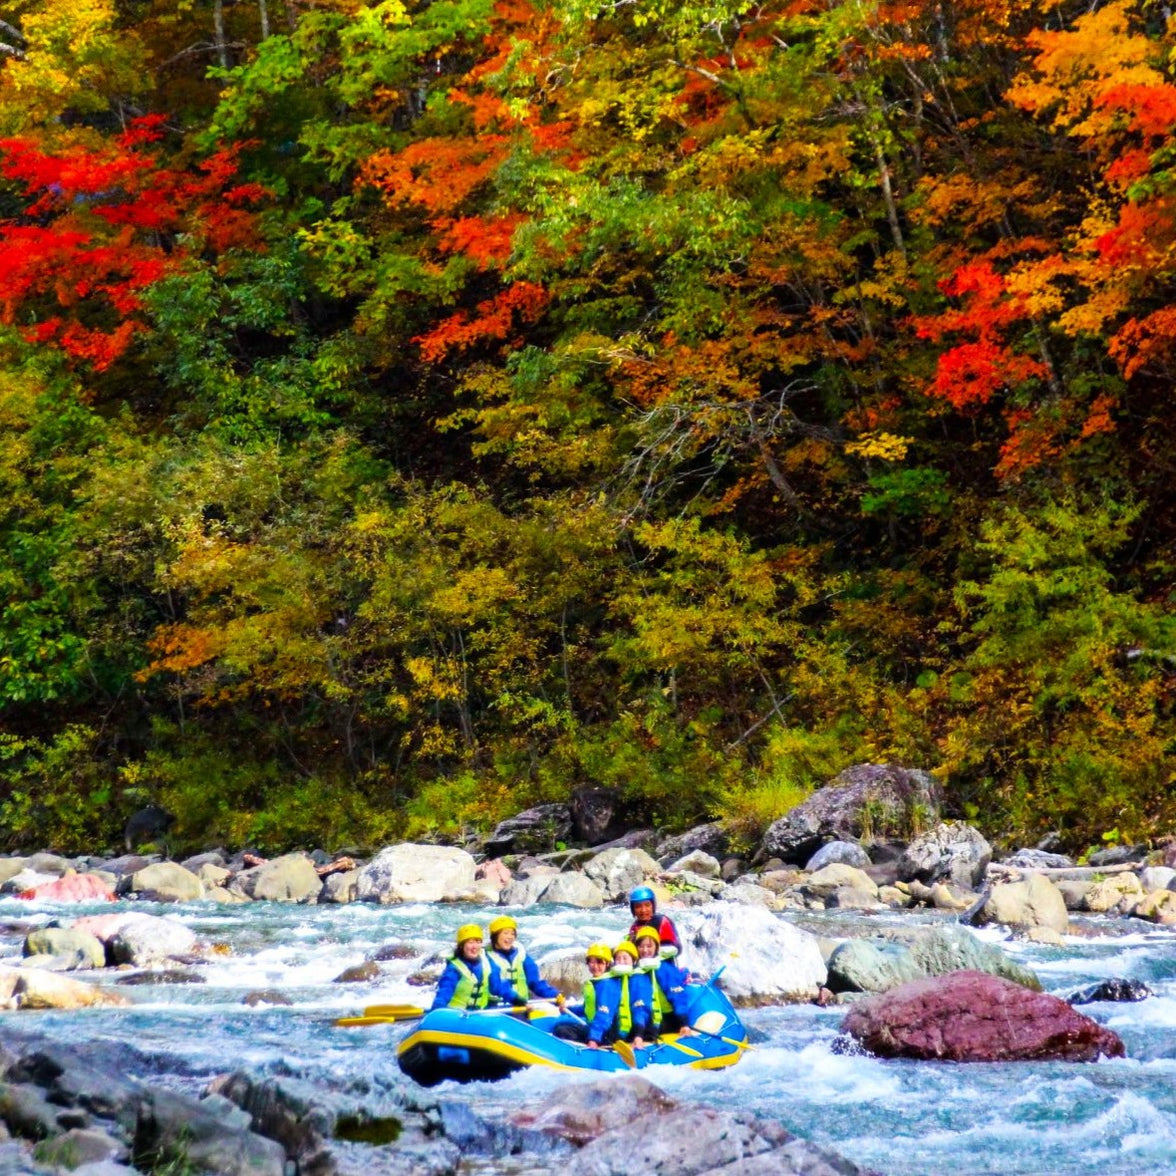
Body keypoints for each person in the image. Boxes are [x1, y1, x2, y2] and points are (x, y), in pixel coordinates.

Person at [485, 915, 565, 1011]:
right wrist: (516, 999)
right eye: (505, 933)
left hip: (521, 1006)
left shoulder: (521, 954)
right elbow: (496, 985)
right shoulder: (486, 957)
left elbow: (535, 982)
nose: (510, 937)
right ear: (495, 936)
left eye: (512, 934)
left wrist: (555, 995)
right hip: (496, 1008)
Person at [585, 939, 651, 1050]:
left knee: (562, 1029)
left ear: (634, 961)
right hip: (610, 1027)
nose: (621, 962)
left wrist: (638, 1037)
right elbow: (591, 1006)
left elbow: (640, 1008)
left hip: (621, 1031)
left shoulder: (636, 979)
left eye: (625, 958)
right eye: (618, 958)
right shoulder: (614, 979)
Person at [634, 924, 696, 1036]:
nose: (645, 950)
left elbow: (677, 996)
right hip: (648, 1017)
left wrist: (684, 1023)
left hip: (669, 1018)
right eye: (641, 946)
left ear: (656, 948)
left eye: (649, 946)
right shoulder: (636, 971)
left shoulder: (664, 969)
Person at [431, 924, 505, 1011]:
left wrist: (519, 1001)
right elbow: (443, 994)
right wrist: (437, 1011)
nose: (475, 947)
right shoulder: (454, 969)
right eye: (470, 942)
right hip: (458, 1016)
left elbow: (499, 987)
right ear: (462, 945)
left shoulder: (487, 961)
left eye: (478, 942)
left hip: (482, 1013)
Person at [552, 942, 613, 1042]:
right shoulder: (596, 982)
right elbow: (587, 1009)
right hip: (595, 1027)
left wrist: (594, 1038)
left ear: (607, 964)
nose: (595, 966)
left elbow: (604, 1015)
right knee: (559, 1023)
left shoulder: (607, 985)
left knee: (561, 1031)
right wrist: (569, 1009)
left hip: (604, 1032)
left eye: (599, 962)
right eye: (591, 962)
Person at [627, 886, 682, 955]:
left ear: (653, 906)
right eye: (638, 906)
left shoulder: (661, 922)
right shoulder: (634, 927)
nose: (643, 910)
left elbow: (677, 949)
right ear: (633, 909)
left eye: (647, 905)